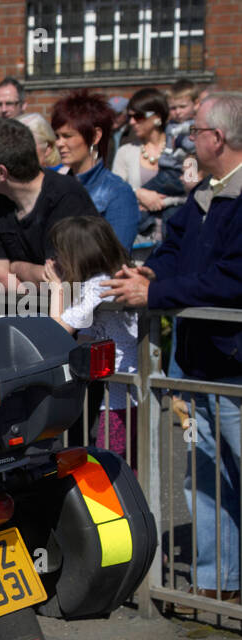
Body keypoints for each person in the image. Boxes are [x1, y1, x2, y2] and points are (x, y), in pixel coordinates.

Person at [105, 92, 242, 605]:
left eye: (196, 131)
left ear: (217, 138)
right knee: (202, 477)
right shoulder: (206, 195)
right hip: (197, 361)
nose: (189, 140)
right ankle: (217, 581)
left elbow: (231, 277)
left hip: (233, 365)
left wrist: (156, 291)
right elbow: (174, 250)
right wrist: (151, 271)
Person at [44, 216, 138, 457]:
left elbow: (57, 332)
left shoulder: (99, 285)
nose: (56, 259)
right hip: (110, 390)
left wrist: (56, 287)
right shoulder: (100, 281)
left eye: (60, 252)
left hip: (119, 395)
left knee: (109, 464)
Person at [0, 117, 98, 294]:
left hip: (79, 315)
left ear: (2, 172)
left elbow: (60, 279)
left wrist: (17, 267)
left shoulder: (65, 196)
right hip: (28, 311)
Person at [51, 92, 139, 251]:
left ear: (95, 136)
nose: (59, 143)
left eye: (67, 136)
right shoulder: (55, 188)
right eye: (57, 136)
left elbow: (118, 258)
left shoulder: (117, 192)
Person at [113, 88, 188, 244]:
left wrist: (164, 202)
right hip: (139, 242)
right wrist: (138, 193)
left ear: (157, 117)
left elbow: (193, 186)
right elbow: (115, 193)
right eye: (129, 117)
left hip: (177, 238)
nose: (132, 122)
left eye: (138, 116)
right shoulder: (125, 152)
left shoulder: (182, 148)